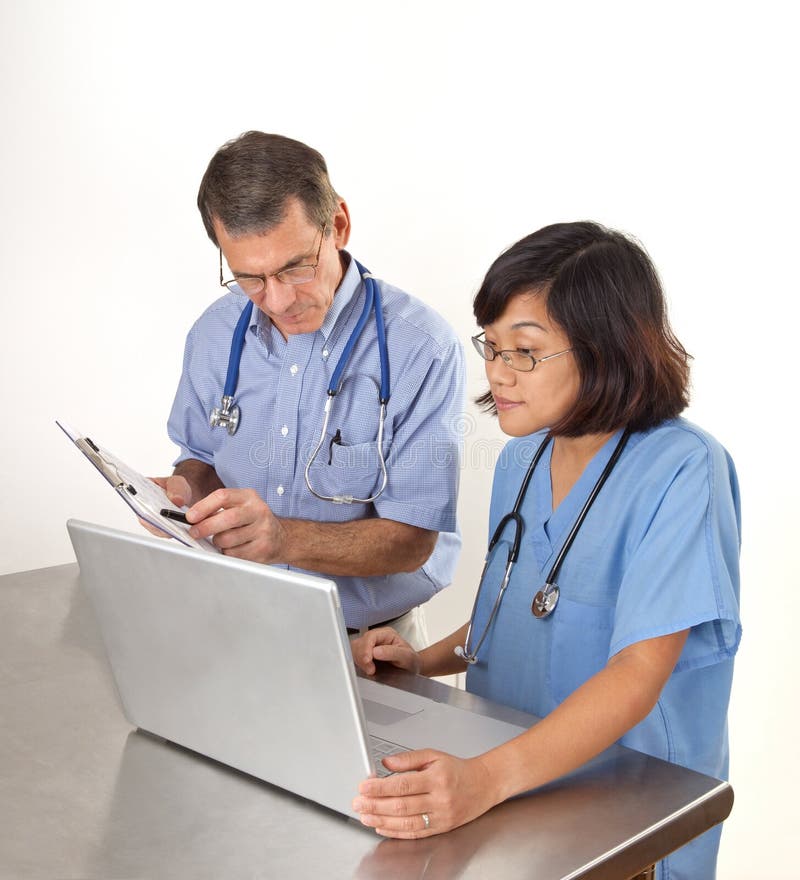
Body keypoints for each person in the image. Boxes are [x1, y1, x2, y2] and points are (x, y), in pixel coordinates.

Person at [351, 221, 741, 879]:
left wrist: (483, 781)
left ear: (606, 350)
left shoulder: (683, 470)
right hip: (515, 788)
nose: (497, 373)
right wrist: (422, 659)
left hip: (625, 815)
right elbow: (518, 612)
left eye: (524, 352)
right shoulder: (522, 458)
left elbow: (636, 674)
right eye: (492, 347)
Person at [151, 131, 465, 648]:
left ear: (337, 224)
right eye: (249, 277)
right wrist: (185, 493)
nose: (275, 300)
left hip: (368, 646)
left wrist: (282, 538)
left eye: (295, 267)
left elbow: (412, 541)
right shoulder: (214, 333)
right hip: (234, 626)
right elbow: (200, 458)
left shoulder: (420, 347)